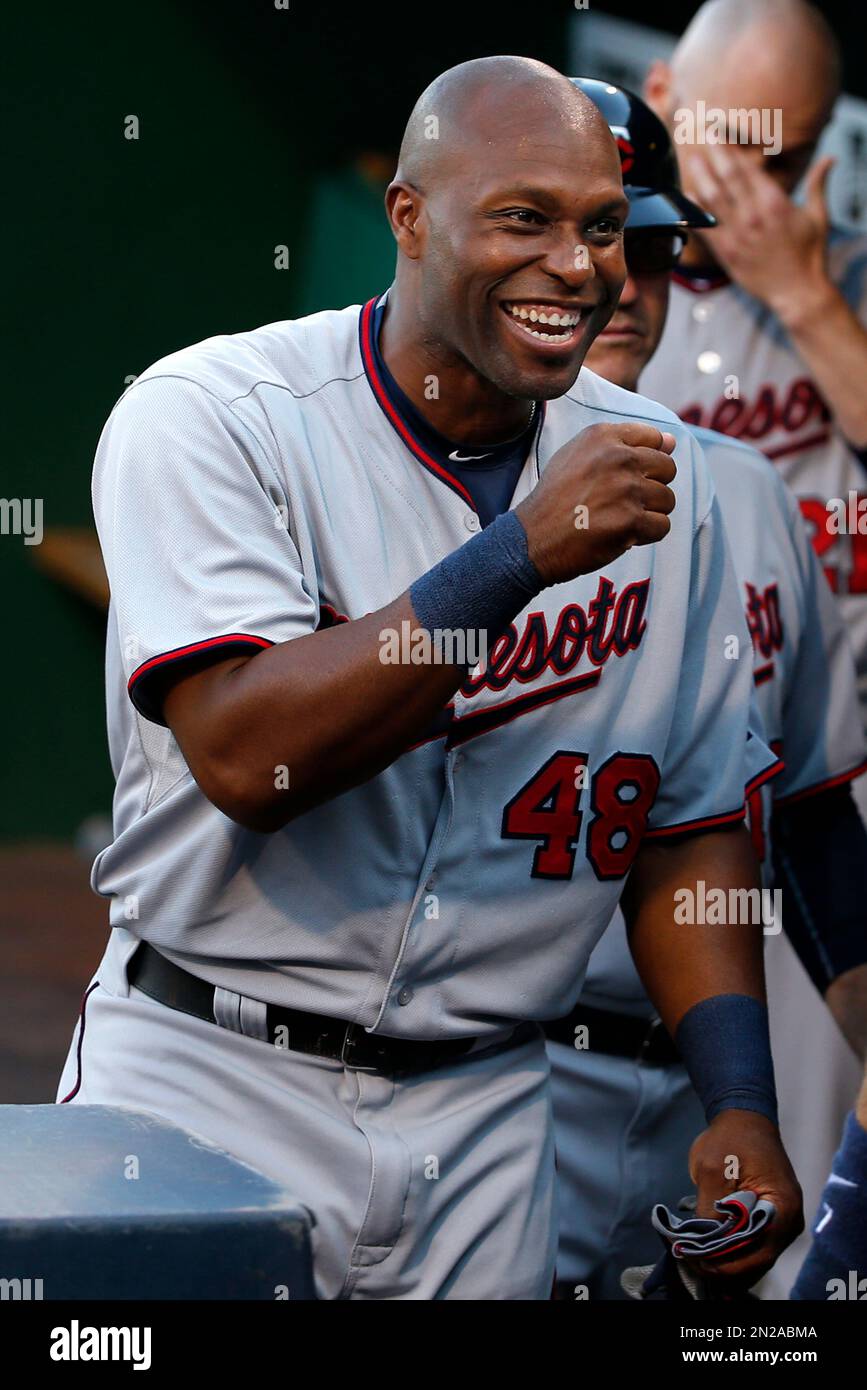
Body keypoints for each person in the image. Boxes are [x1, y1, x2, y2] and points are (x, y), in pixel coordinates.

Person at [57, 56, 800, 1300]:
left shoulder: (672, 477)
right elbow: (247, 753)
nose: (578, 266)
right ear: (406, 217)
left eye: (605, 228)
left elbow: (691, 829)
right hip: (208, 1068)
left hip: (494, 1110)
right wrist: (516, 557)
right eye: (526, 218)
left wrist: (738, 1096)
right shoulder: (218, 415)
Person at [547, 77, 867, 1301]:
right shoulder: (393, 479)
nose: (619, 280)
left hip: (695, 1087)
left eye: (650, 245)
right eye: (579, 236)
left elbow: (813, 821)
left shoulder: (750, 496)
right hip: (480, 1072)